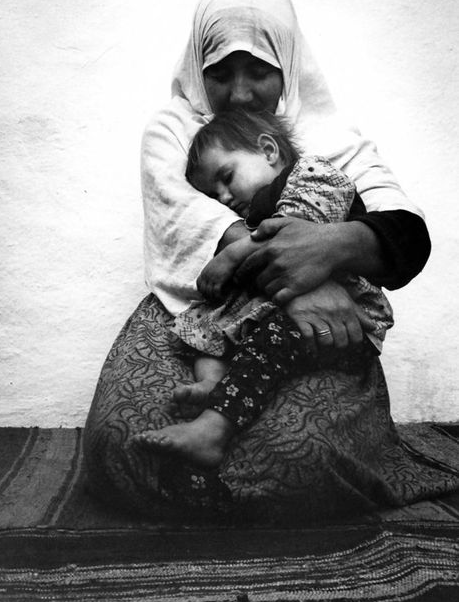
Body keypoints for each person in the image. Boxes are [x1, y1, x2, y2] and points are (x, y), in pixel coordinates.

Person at [83, 0, 458, 521]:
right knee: (121, 440)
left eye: (258, 71)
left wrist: (329, 251)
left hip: (324, 327)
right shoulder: (176, 128)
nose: (239, 93)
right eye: (220, 73)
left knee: (298, 453)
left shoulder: (330, 139)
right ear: (198, 70)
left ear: (286, 63)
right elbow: (185, 215)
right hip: (200, 309)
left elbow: (403, 231)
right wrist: (295, 277)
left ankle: (214, 453)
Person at [134, 109, 394, 468]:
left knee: (270, 337)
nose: (223, 197)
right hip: (290, 308)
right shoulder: (255, 210)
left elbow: (295, 238)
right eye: (213, 193)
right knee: (202, 321)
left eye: (227, 177)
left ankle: (213, 430)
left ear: (269, 150)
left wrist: (232, 254)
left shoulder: (311, 175)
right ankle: (215, 382)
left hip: (346, 317)